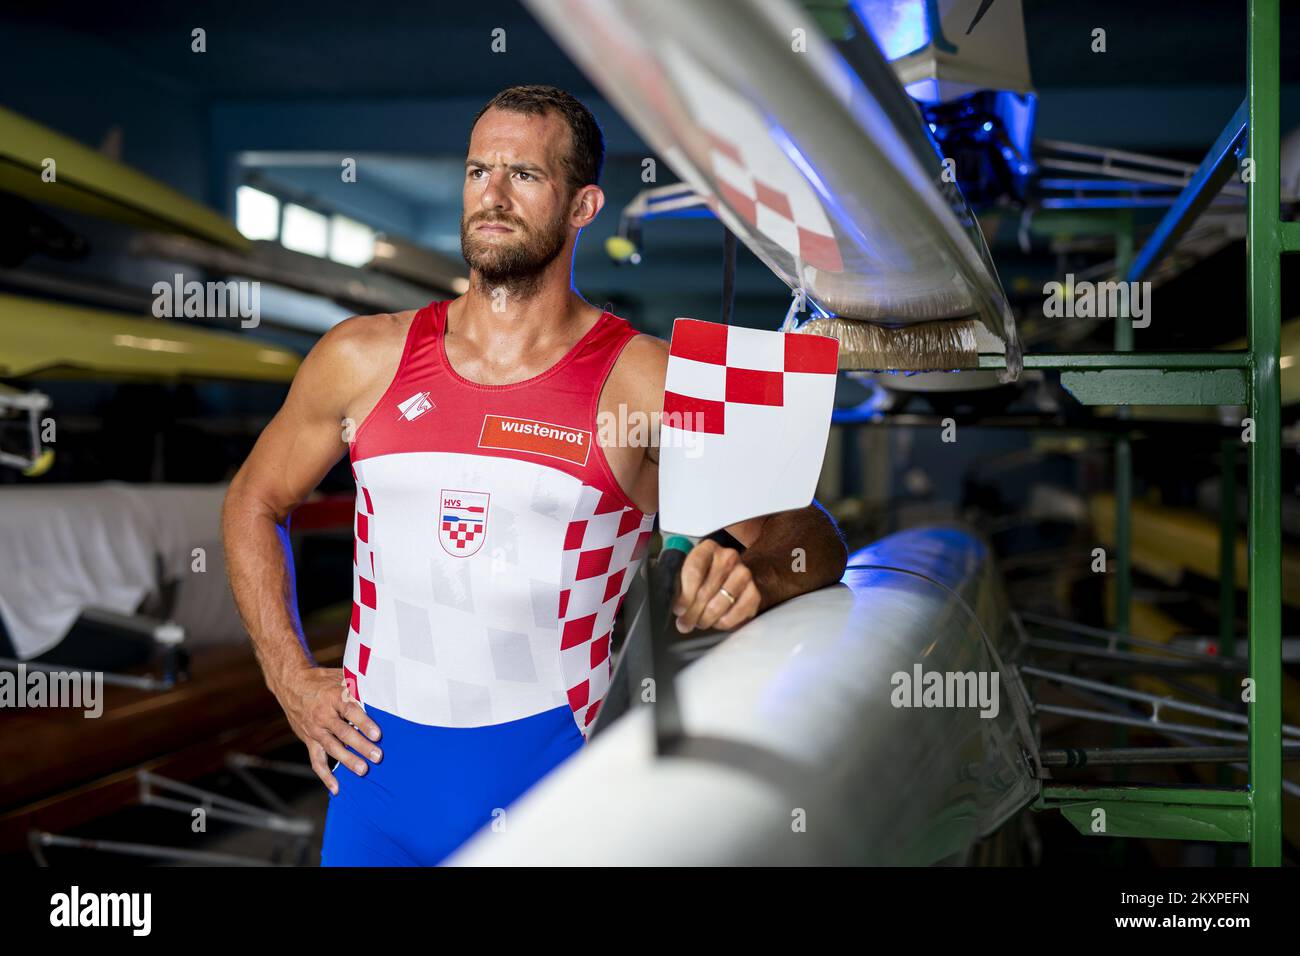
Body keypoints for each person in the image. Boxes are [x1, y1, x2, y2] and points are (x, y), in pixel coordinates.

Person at [221, 85, 848, 866]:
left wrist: (756, 573)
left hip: (554, 803)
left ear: (583, 206)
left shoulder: (649, 379)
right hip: (372, 797)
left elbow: (809, 534)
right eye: (479, 169)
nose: (492, 194)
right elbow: (255, 499)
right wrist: (288, 677)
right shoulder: (362, 357)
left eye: (524, 175)